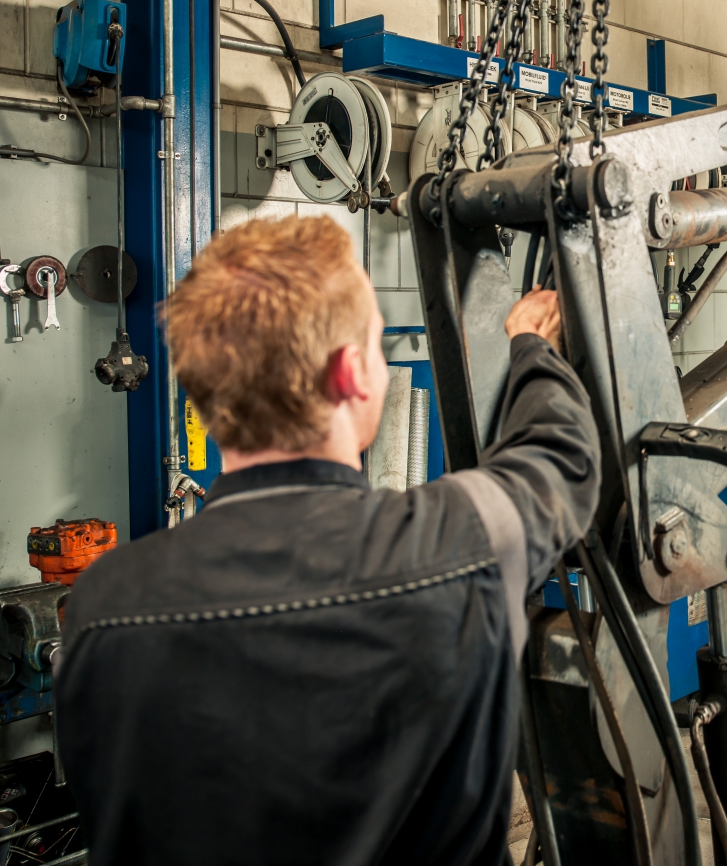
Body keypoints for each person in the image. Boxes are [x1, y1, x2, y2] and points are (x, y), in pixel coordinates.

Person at [54, 215, 600, 866]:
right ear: (351, 374)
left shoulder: (99, 607)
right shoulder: (460, 540)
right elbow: (561, 456)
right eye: (375, 345)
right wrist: (529, 346)